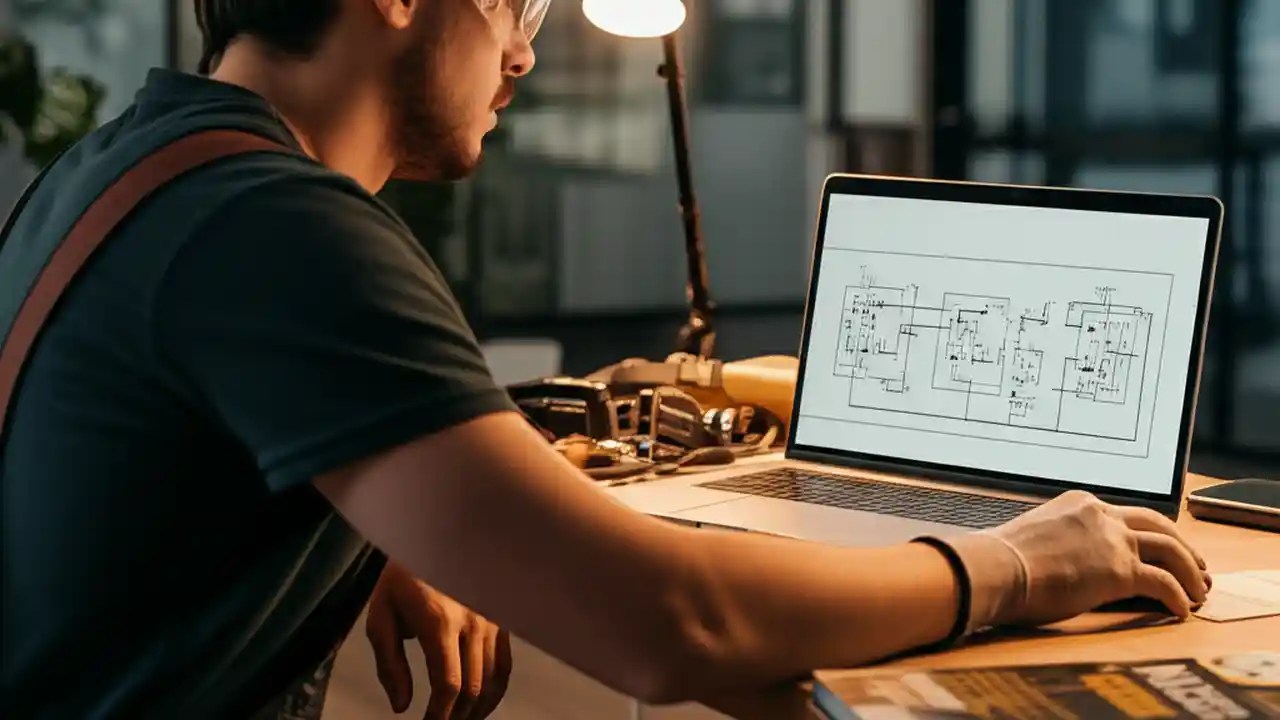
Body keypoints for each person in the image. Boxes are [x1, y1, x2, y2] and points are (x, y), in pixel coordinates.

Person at [0, 1, 1212, 718]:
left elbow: (136, 471)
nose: (523, 55)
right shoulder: (275, 226)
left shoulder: (128, 165)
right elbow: (666, 619)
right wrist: (1011, 563)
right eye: (514, 7)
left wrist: (371, 533)